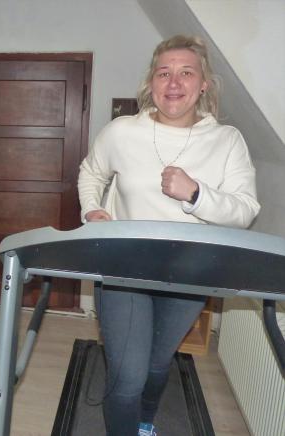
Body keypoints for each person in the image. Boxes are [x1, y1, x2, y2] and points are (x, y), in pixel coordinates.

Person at [78, 35, 260, 436]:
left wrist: (196, 194)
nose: (174, 82)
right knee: (128, 375)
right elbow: (91, 172)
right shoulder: (122, 131)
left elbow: (245, 210)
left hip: (191, 274)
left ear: (203, 84)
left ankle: (144, 423)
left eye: (186, 73)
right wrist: (91, 209)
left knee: (158, 362)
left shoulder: (227, 141)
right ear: (151, 82)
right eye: (164, 73)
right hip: (124, 268)